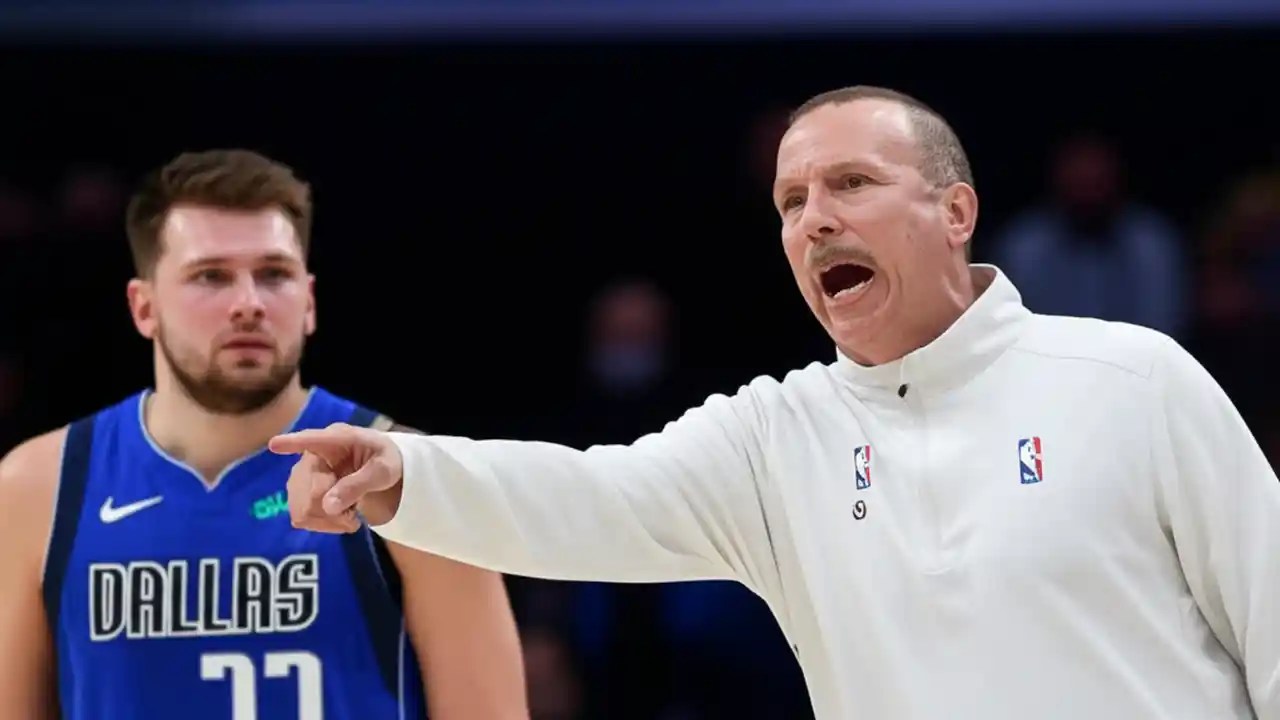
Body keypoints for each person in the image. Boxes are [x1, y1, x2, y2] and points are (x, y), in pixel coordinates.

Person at [273, 87, 1280, 719]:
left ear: (954, 212)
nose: (812, 219)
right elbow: (588, 497)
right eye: (790, 202)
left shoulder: (1132, 381)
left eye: (849, 182)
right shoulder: (776, 435)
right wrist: (405, 475)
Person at [0, 149, 529, 720]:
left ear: (309, 302)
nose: (248, 303)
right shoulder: (37, 487)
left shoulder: (414, 476)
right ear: (143, 307)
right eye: (211, 276)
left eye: (274, 274)